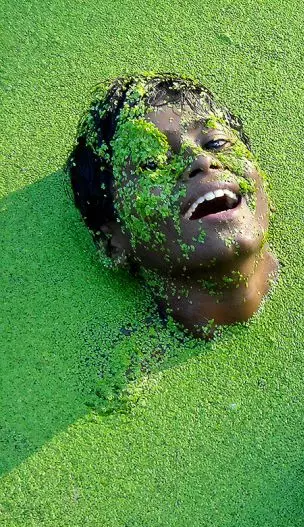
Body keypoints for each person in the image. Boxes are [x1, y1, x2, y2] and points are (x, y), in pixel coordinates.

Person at [68, 74, 278, 338]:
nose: (201, 160)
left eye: (216, 142)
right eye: (152, 163)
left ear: (264, 188)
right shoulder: (122, 372)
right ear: (112, 242)